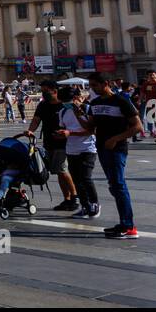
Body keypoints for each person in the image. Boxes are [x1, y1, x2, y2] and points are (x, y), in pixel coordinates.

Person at [86, 73, 142, 239]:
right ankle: (124, 223)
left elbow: (137, 126)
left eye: (95, 85)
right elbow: (90, 127)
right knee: (113, 185)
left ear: (106, 83)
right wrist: (76, 113)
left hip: (117, 148)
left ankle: (128, 225)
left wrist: (115, 139)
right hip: (102, 148)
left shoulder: (121, 101)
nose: (93, 88)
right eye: (91, 85)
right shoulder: (94, 103)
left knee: (118, 184)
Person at [26, 80, 78, 211]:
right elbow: (36, 120)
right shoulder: (43, 105)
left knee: (62, 169)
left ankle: (75, 197)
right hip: (49, 142)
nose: (43, 93)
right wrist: (31, 130)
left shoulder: (64, 105)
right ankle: (66, 199)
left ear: (55, 91)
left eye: (45, 91)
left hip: (64, 142)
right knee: (58, 171)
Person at [58, 85, 100, 219]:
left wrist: (70, 133)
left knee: (86, 178)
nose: (65, 104)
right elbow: (64, 128)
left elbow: (91, 131)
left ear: (76, 98)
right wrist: (61, 134)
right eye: (63, 101)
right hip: (71, 149)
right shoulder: (63, 112)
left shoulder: (87, 109)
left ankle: (94, 204)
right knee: (77, 180)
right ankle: (85, 206)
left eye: (67, 101)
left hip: (87, 148)